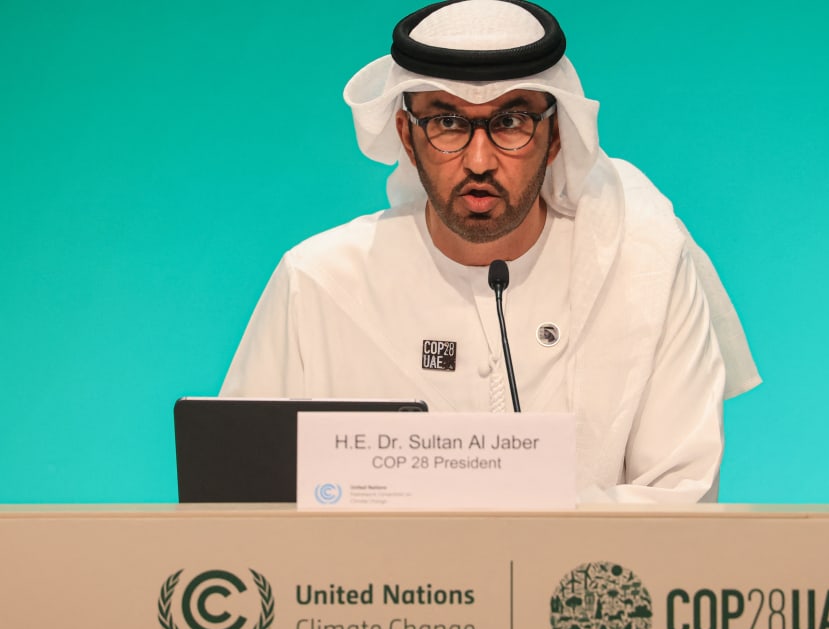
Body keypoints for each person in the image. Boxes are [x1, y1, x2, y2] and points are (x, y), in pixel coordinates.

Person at [220, 0, 760, 502]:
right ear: (407, 137)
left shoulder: (644, 267)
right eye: (448, 122)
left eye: (510, 121)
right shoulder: (318, 282)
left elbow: (680, 507)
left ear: (555, 138)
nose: (480, 160)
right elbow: (236, 502)